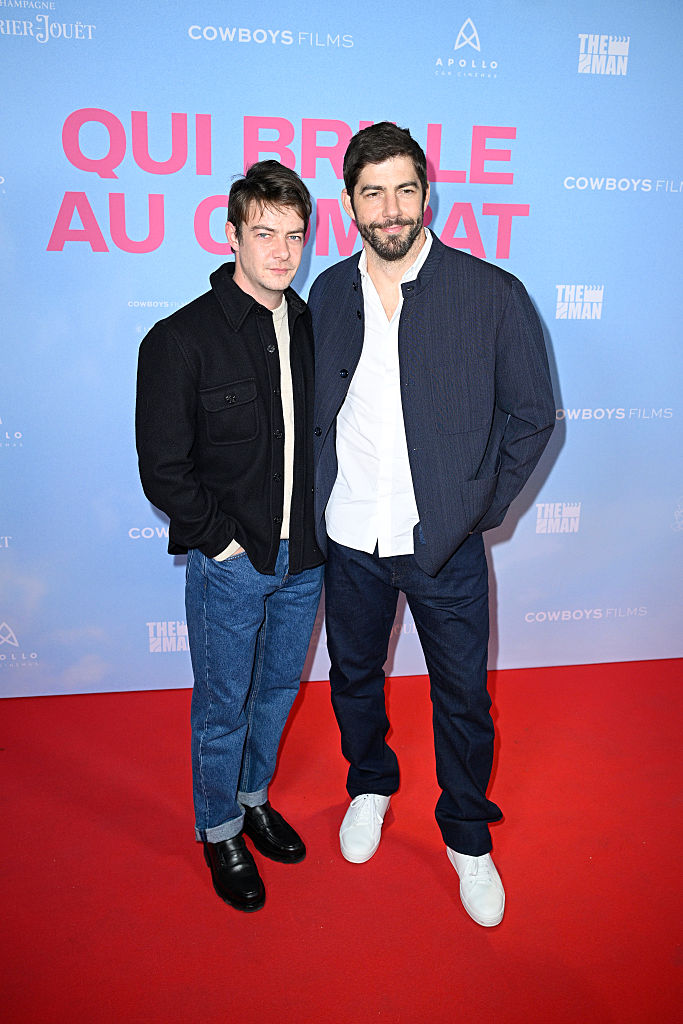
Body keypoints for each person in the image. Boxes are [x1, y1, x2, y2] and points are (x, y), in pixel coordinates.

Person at [308, 123, 555, 927]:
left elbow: (530, 416)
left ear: (426, 194)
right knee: (352, 678)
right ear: (349, 202)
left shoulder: (489, 292)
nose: (390, 207)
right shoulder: (328, 296)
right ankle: (370, 785)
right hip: (348, 537)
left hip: (441, 544)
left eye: (404, 189)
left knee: (461, 697)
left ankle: (465, 836)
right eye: (372, 191)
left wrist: (475, 509)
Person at [136, 160, 324, 913]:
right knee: (223, 704)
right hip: (232, 564)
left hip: (305, 559)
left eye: (295, 235)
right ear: (232, 235)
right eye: (265, 233)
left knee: (277, 692)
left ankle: (251, 799)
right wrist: (221, 545)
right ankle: (217, 829)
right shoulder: (179, 338)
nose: (282, 251)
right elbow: (164, 467)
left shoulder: (312, 327)